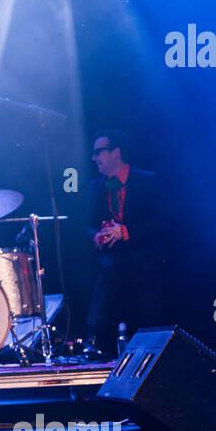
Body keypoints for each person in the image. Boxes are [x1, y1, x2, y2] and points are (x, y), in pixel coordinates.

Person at [85, 130, 166, 355]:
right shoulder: (95, 187)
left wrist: (125, 232)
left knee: (149, 317)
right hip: (112, 264)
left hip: (144, 262)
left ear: (116, 153)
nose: (94, 158)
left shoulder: (147, 181)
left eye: (98, 152)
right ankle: (92, 342)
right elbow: (86, 224)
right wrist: (96, 236)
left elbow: (163, 221)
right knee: (103, 294)